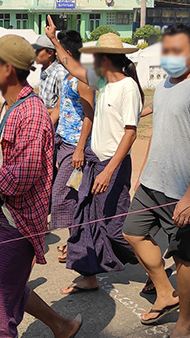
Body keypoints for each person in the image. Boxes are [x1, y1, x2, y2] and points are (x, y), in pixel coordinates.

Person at [0, 34, 81, 338]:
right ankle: (62, 326)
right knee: (4, 286)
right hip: (2, 216)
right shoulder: (11, 106)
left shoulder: (30, 112)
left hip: (18, 222)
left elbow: (19, 179)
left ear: (8, 69)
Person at [123, 24, 190, 336]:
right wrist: (143, 173)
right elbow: (160, 134)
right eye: (166, 50)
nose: (170, 57)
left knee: (184, 257)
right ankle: (165, 293)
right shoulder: (165, 85)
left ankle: (186, 323)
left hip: (182, 190)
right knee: (132, 233)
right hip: (153, 182)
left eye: (177, 51)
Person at [46, 20, 141, 294]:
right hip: (94, 163)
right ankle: (89, 275)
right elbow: (71, 65)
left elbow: (130, 134)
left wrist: (109, 170)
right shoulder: (102, 82)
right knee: (85, 219)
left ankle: (151, 266)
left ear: (106, 60)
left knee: (115, 226)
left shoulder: (127, 88)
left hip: (113, 166)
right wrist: (54, 40)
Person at [49, 30, 95, 264]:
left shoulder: (86, 78)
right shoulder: (68, 77)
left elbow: (89, 115)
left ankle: (77, 245)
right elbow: (59, 108)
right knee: (68, 197)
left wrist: (79, 149)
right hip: (63, 144)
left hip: (76, 148)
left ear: (66, 53)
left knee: (65, 196)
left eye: (57, 51)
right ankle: (72, 243)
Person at [33, 31, 69, 117]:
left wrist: (38, 111)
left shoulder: (60, 74)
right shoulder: (44, 71)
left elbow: (64, 107)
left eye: (38, 50)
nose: (35, 53)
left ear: (50, 53)